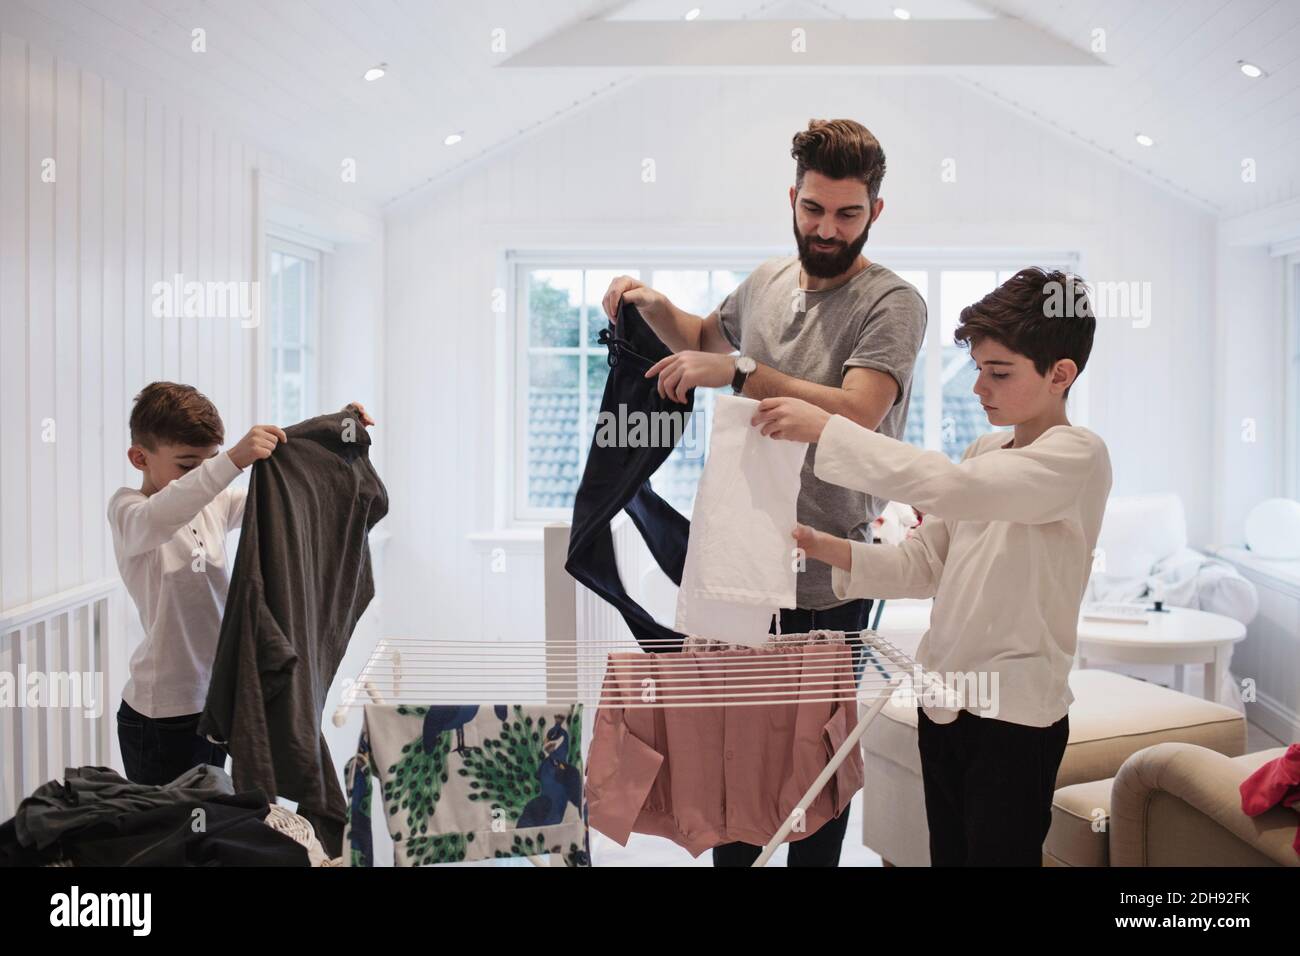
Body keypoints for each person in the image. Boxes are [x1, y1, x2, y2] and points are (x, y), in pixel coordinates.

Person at [602, 118, 927, 866]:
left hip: (829, 579)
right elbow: (697, 336)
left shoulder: (892, 303)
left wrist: (743, 375)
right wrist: (646, 301)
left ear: (876, 211)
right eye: (814, 209)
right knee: (733, 774)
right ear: (793, 196)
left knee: (814, 781)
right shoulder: (766, 282)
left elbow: (857, 410)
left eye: (848, 213)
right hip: (740, 568)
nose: (827, 227)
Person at [752, 267, 1113, 866]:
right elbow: (924, 565)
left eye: (999, 373)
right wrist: (824, 546)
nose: (979, 389)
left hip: (1015, 717)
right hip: (944, 700)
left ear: (1061, 375)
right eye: (979, 370)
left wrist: (829, 428)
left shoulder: (1078, 458)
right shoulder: (984, 451)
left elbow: (952, 488)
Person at [108, 381, 374, 786]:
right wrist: (230, 460)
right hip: (159, 717)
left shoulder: (211, 502)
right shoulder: (129, 511)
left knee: (214, 829)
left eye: (207, 461)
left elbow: (284, 491)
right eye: (186, 464)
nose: (201, 473)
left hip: (216, 705)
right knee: (170, 838)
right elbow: (164, 513)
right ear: (139, 457)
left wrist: (336, 430)